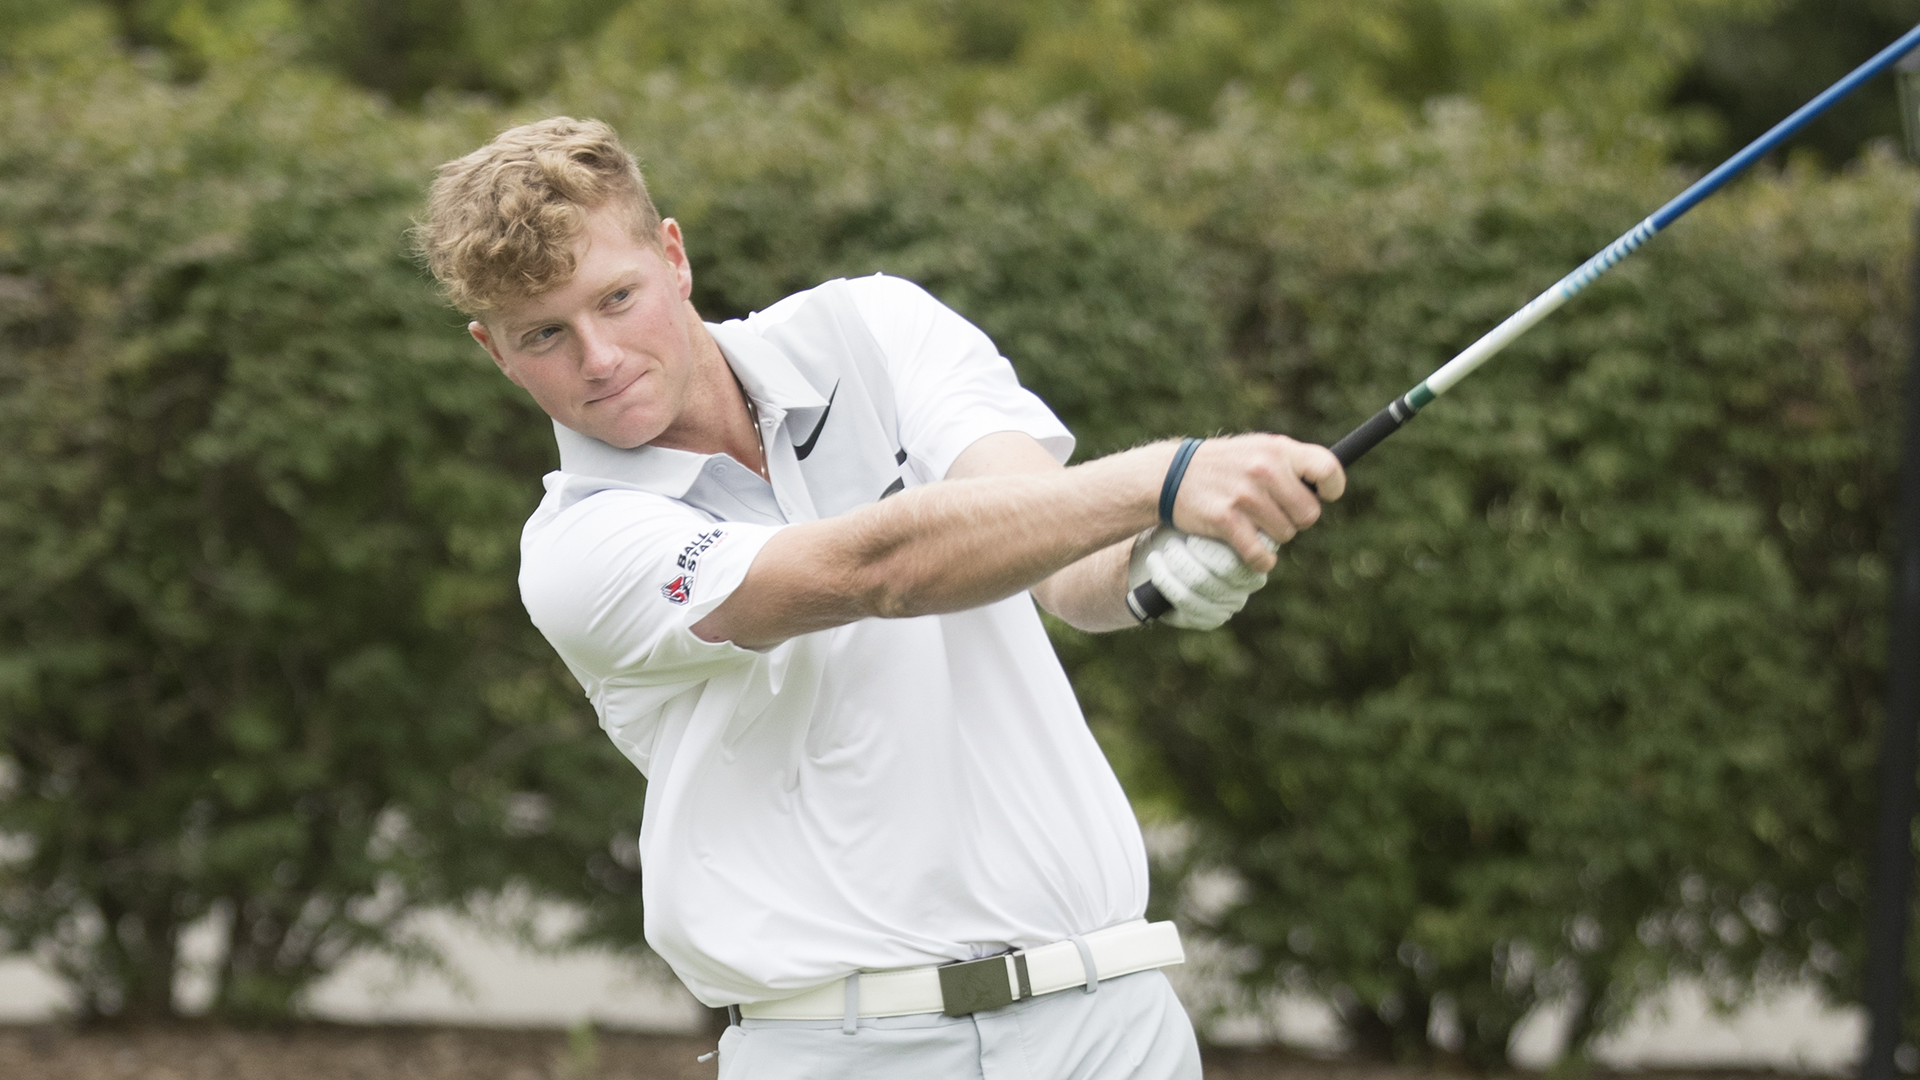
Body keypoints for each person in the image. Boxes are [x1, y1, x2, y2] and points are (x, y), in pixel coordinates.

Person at [415, 116, 1344, 1080]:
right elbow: (874, 575)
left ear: (673, 256)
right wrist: (1168, 476)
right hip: (845, 1047)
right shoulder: (576, 546)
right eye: (547, 335)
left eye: (618, 298)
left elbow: (1065, 565)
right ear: (495, 351)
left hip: (1113, 1021)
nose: (600, 357)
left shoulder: (870, 328)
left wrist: (1163, 566)